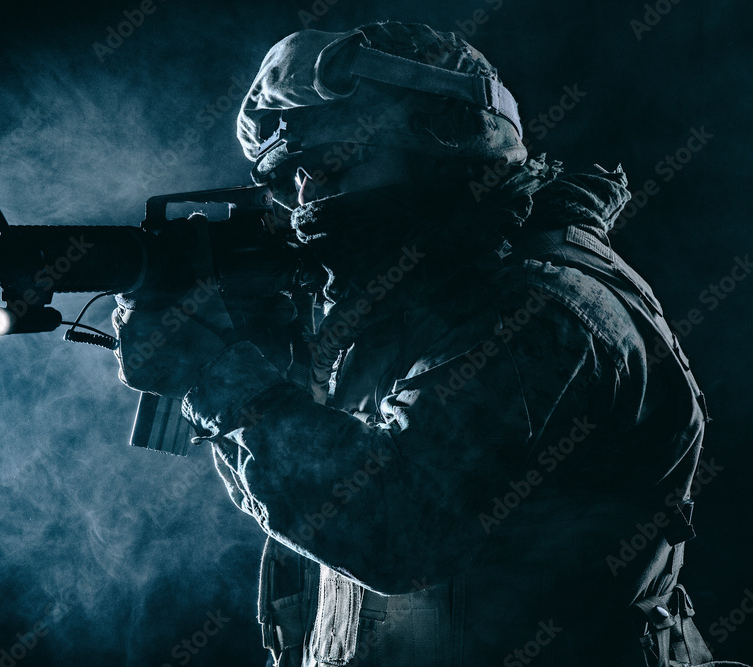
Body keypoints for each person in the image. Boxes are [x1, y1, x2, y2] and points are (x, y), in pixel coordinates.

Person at [113, 22, 742, 666]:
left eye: (335, 161)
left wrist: (214, 374)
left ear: (440, 147)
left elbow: (396, 530)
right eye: (290, 175)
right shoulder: (412, 307)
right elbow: (325, 499)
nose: (307, 196)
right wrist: (253, 350)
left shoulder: (534, 308)